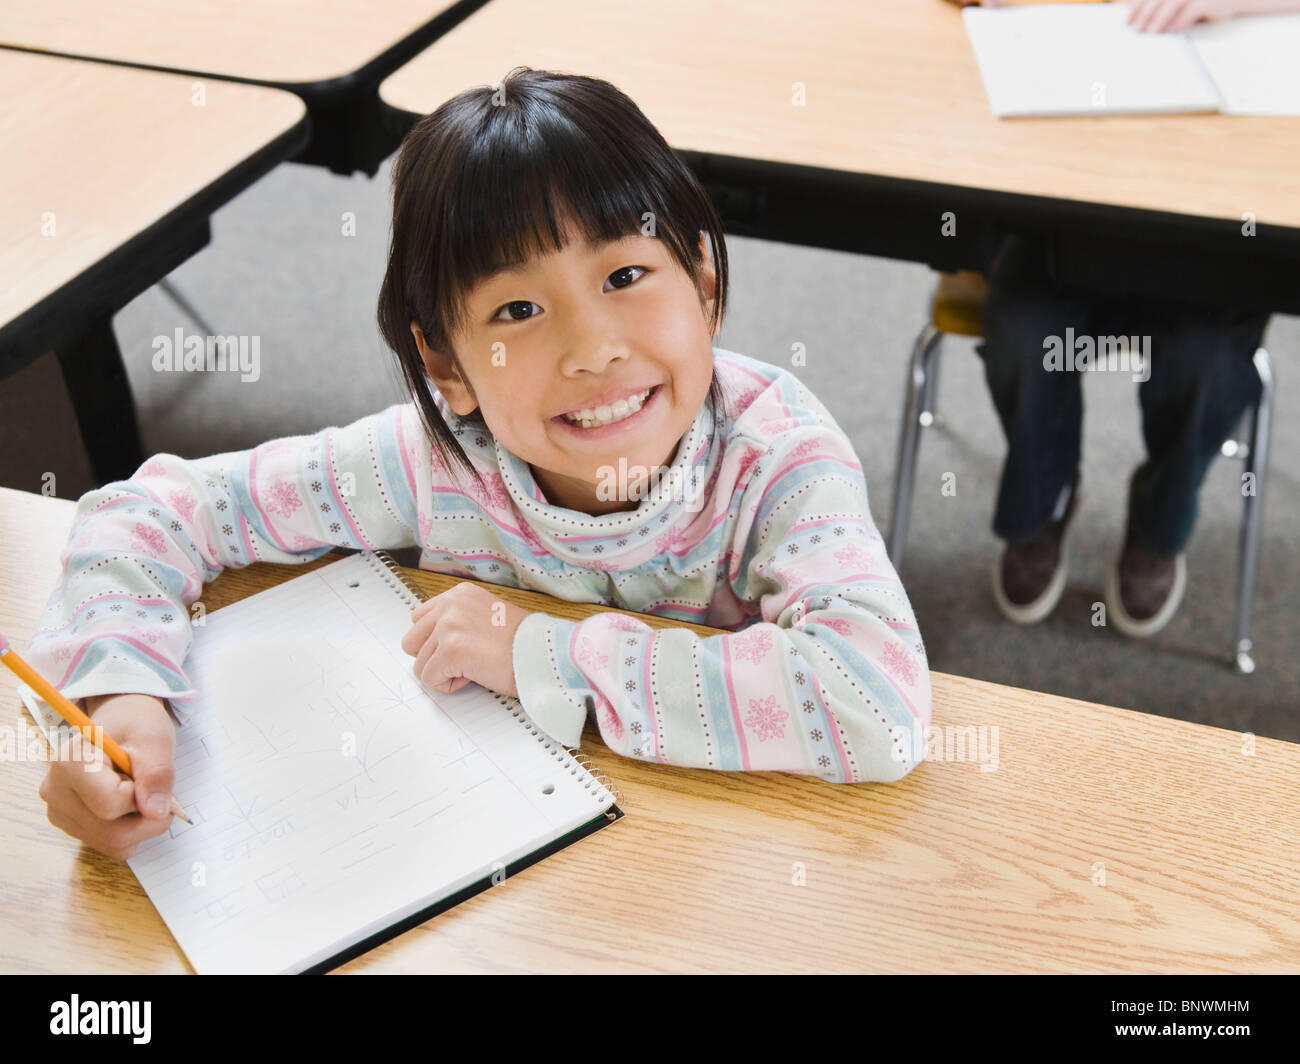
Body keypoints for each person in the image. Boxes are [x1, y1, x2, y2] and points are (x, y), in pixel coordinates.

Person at [29, 67, 932, 861]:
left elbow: (874, 702)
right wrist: (120, 691)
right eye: (516, 312)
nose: (591, 349)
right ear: (447, 367)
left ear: (705, 288)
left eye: (624, 278)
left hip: (740, 866)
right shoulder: (435, 467)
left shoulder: (774, 463)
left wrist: (541, 655)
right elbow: (150, 513)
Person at [950, 0, 1290, 633]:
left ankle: (1161, 524)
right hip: (1063, 180)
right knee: (1029, 336)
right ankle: (1043, 500)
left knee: (1204, 360)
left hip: (1217, 199)